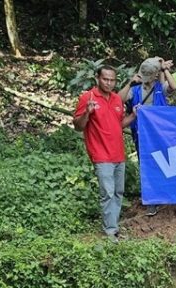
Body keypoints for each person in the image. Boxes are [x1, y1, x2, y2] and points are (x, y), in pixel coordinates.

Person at [73, 65, 135, 242]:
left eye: (112, 80)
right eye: (105, 79)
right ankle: (110, 231)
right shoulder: (88, 97)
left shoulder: (116, 99)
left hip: (118, 153)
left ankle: (113, 227)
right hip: (101, 154)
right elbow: (78, 126)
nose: (108, 83)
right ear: (97, 79)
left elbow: (119, 124)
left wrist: (133, 116)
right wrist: (87, 112)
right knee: (107, 192)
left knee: (118, 192)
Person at [120, 57, 175, 217]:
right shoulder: (135, 90)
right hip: (141, 133)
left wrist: (164, 69)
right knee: (146, 164)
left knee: (164, 162)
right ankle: (151, 200)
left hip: (161, 134)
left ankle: (164, 194)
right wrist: (130, 83)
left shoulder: (160, 87)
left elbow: (173, 87)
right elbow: (118, 99)